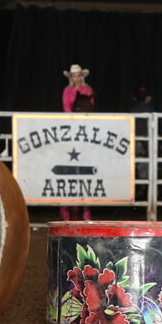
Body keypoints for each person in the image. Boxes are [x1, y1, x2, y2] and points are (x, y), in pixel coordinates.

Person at [60, 63, 94, 221]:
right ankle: (66, 212)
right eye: (74, 76)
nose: (76, 78)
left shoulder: (88, 90)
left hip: (86, 127)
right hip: (71, 126)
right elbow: (67, 108)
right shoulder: (67, 91)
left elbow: (91, 108)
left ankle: (86, 211)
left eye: (78, 75)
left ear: (82, 76)